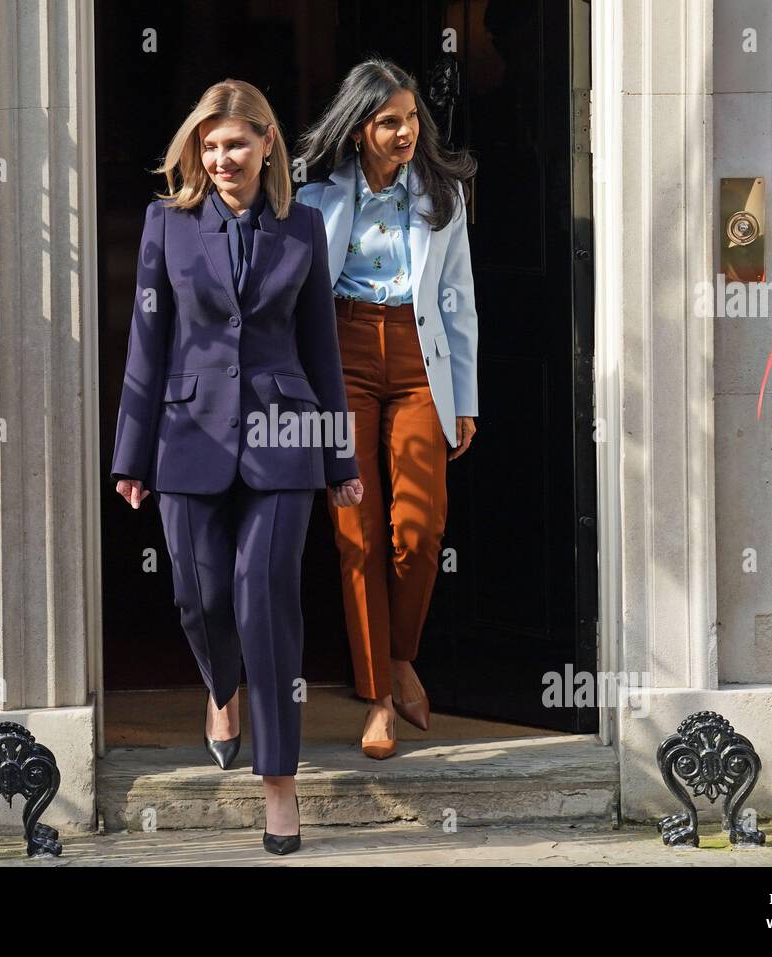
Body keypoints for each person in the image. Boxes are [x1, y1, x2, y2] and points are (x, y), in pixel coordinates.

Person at [110, 79, 363, 854]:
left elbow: (321, 345)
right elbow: (146, 346)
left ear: (265, 147)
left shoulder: (305, 227)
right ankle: (222, 686)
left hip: (286, 437)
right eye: (209, 145)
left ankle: (280, 785)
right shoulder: (166, 225)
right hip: (187, 437)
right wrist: (131, 453)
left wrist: (339, 456)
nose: (222, 158)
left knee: (265, 595)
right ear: (198, 151)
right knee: (200, 593)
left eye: (236, 144)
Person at [296, 59, 479, 759]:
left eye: (411, 118)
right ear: (359, 128)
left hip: (417, 358)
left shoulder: (443, 197)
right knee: (357, 533)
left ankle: (403, 654)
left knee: (420, 526)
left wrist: (462, 397)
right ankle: (377, 695)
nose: (406, 132)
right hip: (340, 352)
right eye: (389, 121)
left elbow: (459, 301)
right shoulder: (316, 200)